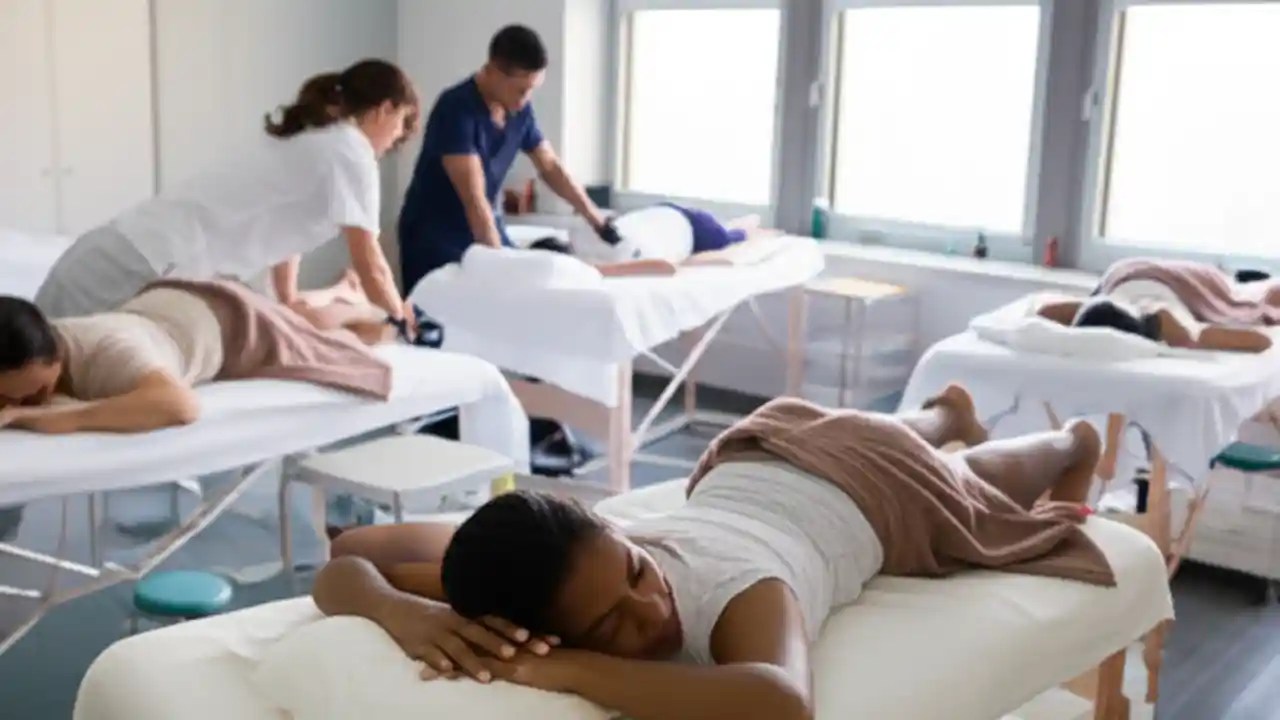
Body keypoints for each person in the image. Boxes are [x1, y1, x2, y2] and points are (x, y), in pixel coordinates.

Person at [312, 385, 1107, 720]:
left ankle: (1067, 437)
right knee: (895, 435)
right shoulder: (525, 569)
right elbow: (351, 555)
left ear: (613, 531)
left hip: (842, 485)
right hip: (806, 466)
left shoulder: (740, 593)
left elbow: (781, 702)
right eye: (613, 624)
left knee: (974, 480)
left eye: (636, 571)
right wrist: (399, 611)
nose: (652, 608)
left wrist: (560, 668)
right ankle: (941, 411)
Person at [35, 59, 419, 335]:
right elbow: (369, 259)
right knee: (33, 365)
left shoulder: (317, 139)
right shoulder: (351, 149)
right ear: (385, 109)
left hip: (128, 252)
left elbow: (287, 217)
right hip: (141, 263)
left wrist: (287, 295)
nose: (396, 140)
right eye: (401, 124)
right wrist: (399, 318)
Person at [397, 25, 616, 292]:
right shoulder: (456, 109)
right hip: (436, 237)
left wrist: (598, 221)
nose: (526, 100)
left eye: (532, 89)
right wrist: (500, 267)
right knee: (449, 315)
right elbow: (474, 198)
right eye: (521, 90)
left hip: (489, 224)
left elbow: (550, 166)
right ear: (492, 71)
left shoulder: (519, 109)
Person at [1036, 257, 1274, 353]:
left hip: (1179, 281)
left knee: (1243, 300)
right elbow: (1043, 311)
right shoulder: (1095, 312)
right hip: (1126, 272)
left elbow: (1263, 342)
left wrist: (1186, 336)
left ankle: (1245, 280)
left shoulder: (1164, 320)